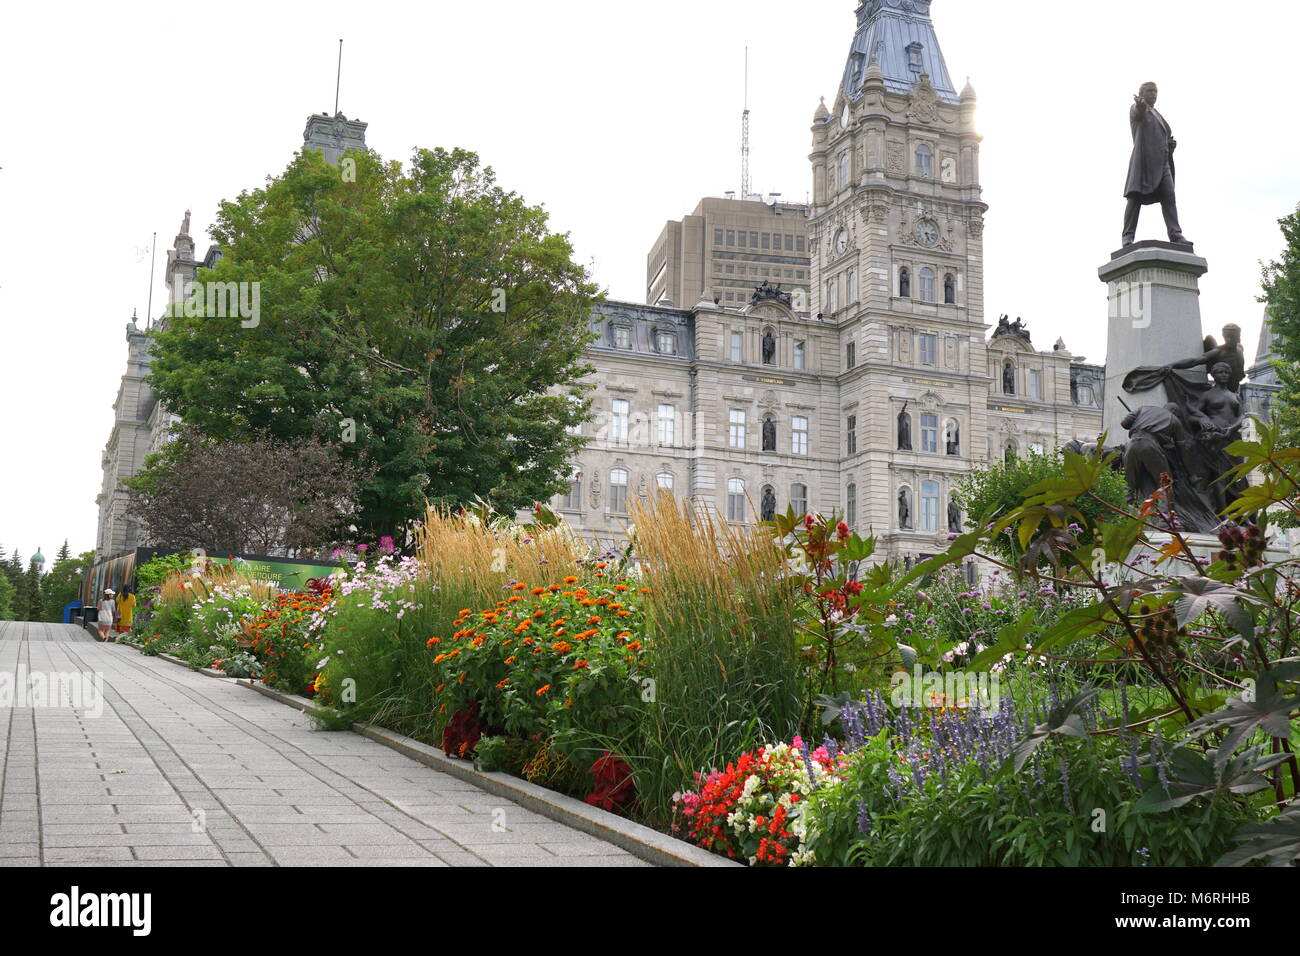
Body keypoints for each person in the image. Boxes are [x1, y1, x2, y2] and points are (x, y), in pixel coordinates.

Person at [1122, 82, 1189, 246]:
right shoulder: (1138, 108)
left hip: (1162, 163)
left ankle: (1175, 234)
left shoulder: (1157, 114)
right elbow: (1138, 113)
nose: (1153, 94)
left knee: (1169, 196)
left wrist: (1169, 145)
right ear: (1142, 93)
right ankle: (1127, 236)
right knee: (1135, 198)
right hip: (1144, 162)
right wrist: (1139, 105)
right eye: (1149, 91)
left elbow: (1162, 135)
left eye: (1155, 91)